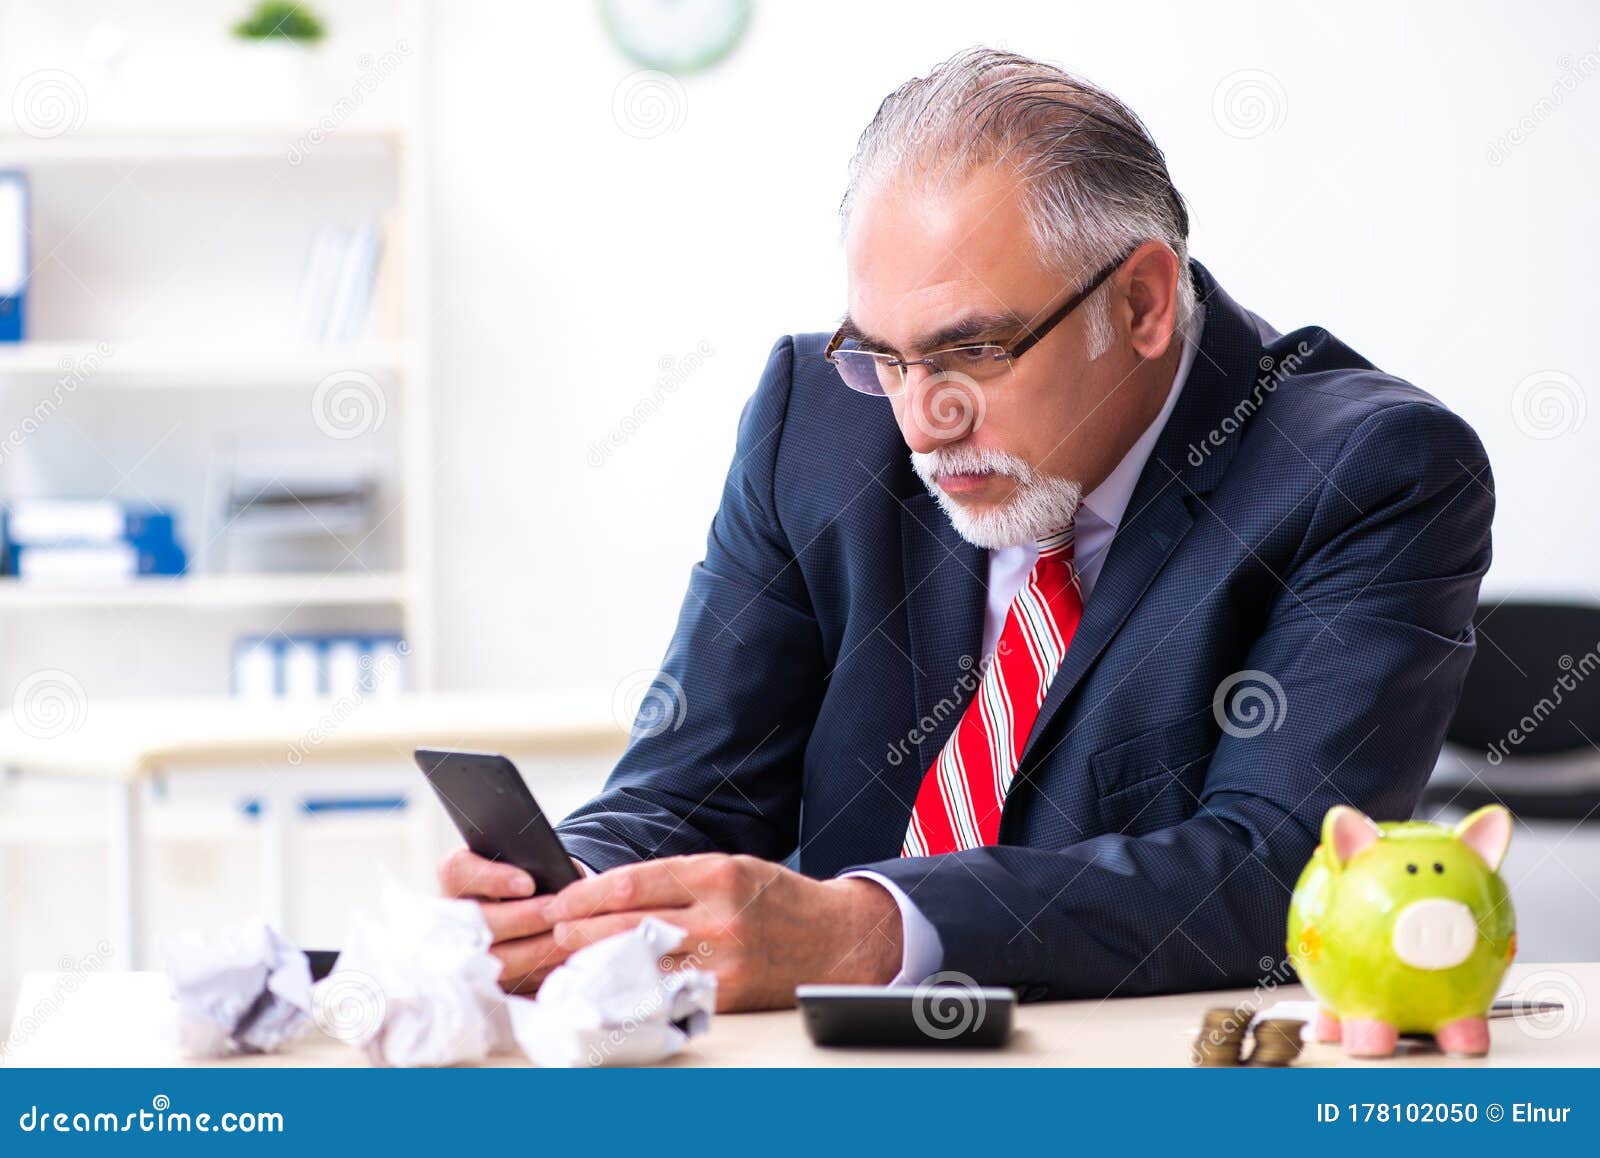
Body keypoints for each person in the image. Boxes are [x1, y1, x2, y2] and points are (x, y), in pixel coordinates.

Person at [439, 47, 1493, 1009]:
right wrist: (576, 890)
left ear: (1140, 304)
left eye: (974, 351)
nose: (919, 419)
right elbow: (689, 789)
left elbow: (1276, 874)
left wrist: (866, 932)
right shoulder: (817, 418)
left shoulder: (1369, 471)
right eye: (885, 355)